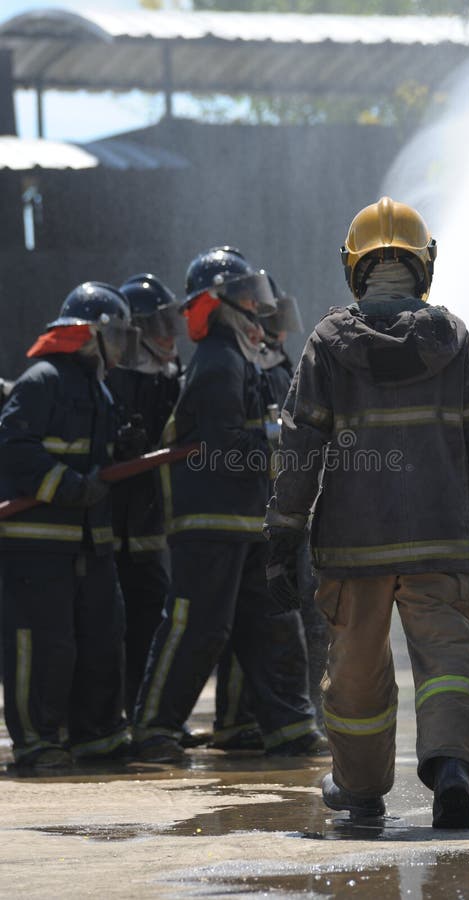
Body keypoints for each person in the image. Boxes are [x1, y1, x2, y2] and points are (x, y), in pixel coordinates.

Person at [264, 197, 469, 826]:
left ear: (356, 266)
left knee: (355, 675)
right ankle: (451, 766)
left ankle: (360, 786)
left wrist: (283, 533)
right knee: (447, 660)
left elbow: (299, 449)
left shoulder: (326, 343)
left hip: (354, 548)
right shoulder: (452, 341)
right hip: (442, 540)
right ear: (424, 264)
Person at [132, 247, 323, 763]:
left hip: (248, 520)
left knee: (274, 623)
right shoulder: (219, 361)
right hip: (211, 522)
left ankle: (290, 725)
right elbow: (223, 446)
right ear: (214, 306)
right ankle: (155, 730)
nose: (254, 307)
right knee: (197, 627)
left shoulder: (241, 357)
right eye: (243, 296)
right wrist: (274, 451)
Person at [0, 282, 139, 770]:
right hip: (37, 545)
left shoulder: (95, 386)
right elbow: (14, 450)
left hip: (88, 543)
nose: (122, 347)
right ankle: (37, 742)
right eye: (116, 335)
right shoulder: (42, 380)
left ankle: (97, 736)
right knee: (42, 644)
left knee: (102, 635)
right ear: (90, 334)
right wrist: (70, 485)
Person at [212, 283, 328, 749]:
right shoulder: (246, 371)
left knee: (303, 620)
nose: (277, 330)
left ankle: (295, 713)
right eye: (268, 319)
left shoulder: (279, 370)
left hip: (291, 515)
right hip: (269, 518)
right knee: (265, 621)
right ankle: (243, 719)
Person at [106, 273, 182, 721]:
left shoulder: (169, 379)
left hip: (149, 533)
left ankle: (139, 712)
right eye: (157, 326)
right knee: (109, 628)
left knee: (151, 622)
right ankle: (111, 715)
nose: (168, 336)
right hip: (107, 533)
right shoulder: (107, 380)